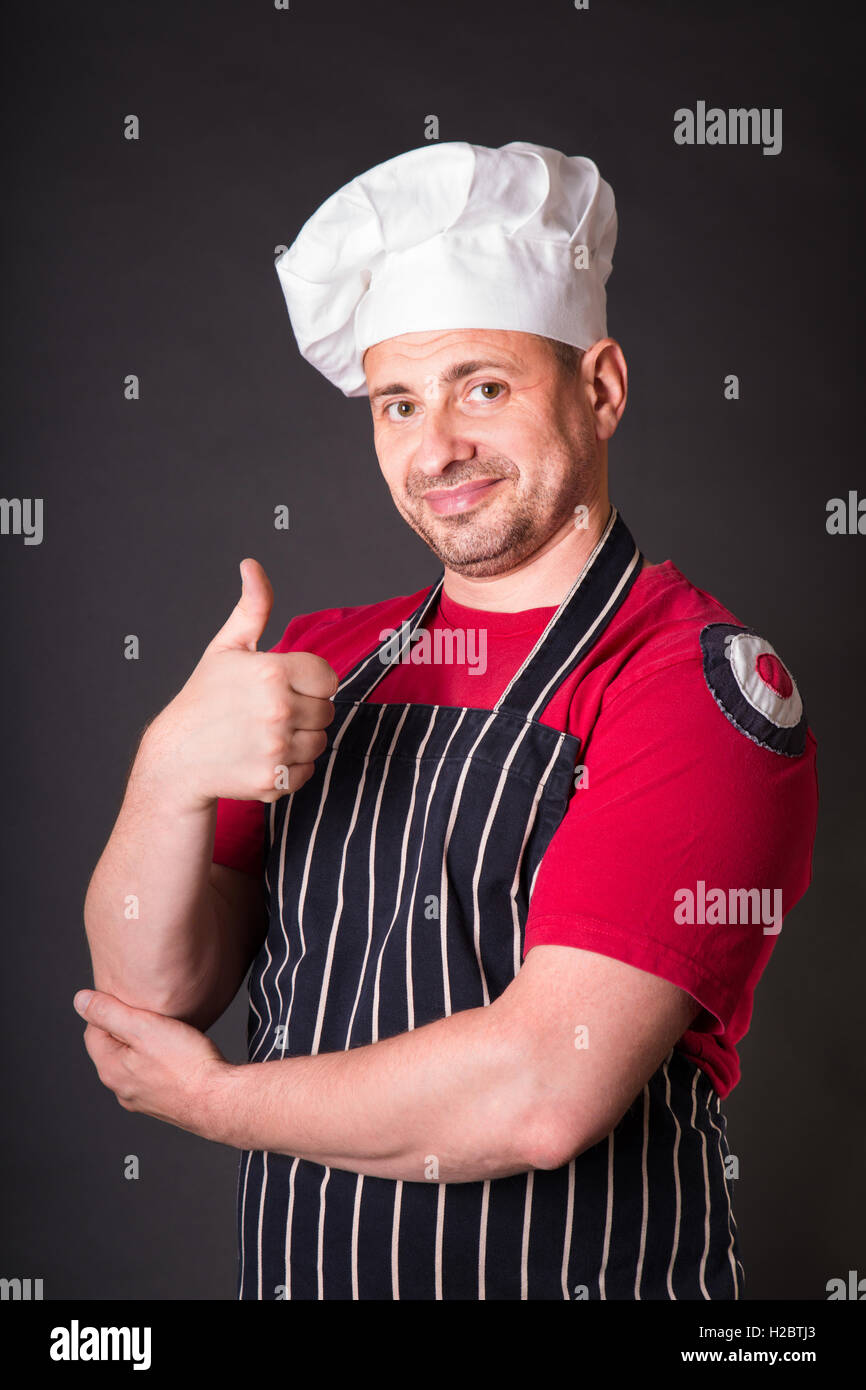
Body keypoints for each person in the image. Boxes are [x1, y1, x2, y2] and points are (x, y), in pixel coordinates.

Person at [78, 141, 818, 1301]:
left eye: (483, 385)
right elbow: (153, 993)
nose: (436, 450)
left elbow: (541, 1090)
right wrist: (162, 775)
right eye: (397, 403)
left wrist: (216, 1102)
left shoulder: (694, 682)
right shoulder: (325, 657)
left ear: (602, 387)